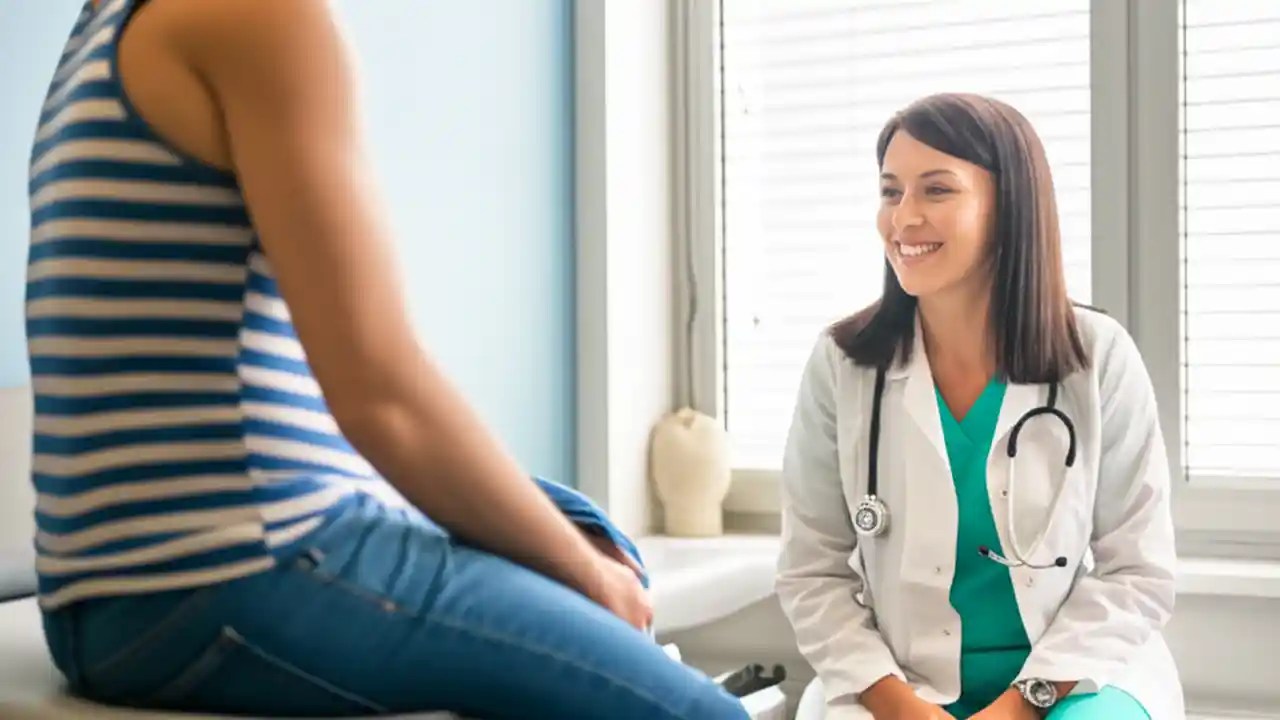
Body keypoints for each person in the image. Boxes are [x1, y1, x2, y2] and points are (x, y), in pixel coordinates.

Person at [25, 1, 748, 718]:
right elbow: (384, 400)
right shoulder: (255, 15)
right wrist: (592, 586)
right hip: (227, 573)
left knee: (586, 523)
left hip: (99, 599)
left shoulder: (106, 29)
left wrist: (584, 558)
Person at [775, 93, 1183, 720]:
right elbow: (813, 574)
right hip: (897, 685)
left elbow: (1136, 571)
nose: (903, 218)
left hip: (1074, 679)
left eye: (936, 191)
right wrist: (899, 705)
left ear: (1009, 208)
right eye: (890, 192)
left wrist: (1022, 706)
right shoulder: (844, 365)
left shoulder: (1096, 357)